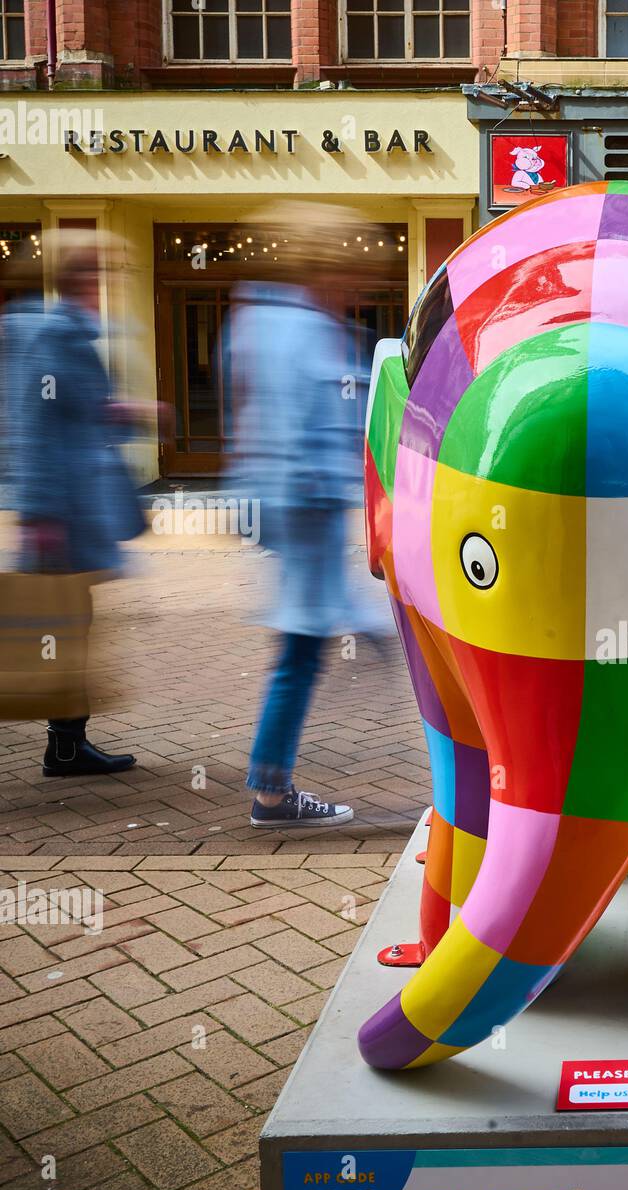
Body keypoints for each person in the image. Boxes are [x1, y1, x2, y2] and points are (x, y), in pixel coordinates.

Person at [227, 203, 383, 828]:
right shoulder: (311, 332)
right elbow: (314, 435)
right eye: (350, 270)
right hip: (305, 508)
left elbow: (248, 417)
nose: (356, 286)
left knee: (300, 648)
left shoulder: (252, 321)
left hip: (272, 506)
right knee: (300, 652)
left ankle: (272, 784)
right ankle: (271, 792)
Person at [0, 230, 145, 775]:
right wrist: (40, 515)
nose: (103, 280)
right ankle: (64, 745)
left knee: (69, 624)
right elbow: (34, 423)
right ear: (73, 275)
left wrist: (128, 413)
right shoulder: (55, 333)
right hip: (62, 514)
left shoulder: (69, 332)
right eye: (94, 270)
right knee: (59, 627)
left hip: (73, 510)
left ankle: (66, 742)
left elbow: (81, 411)